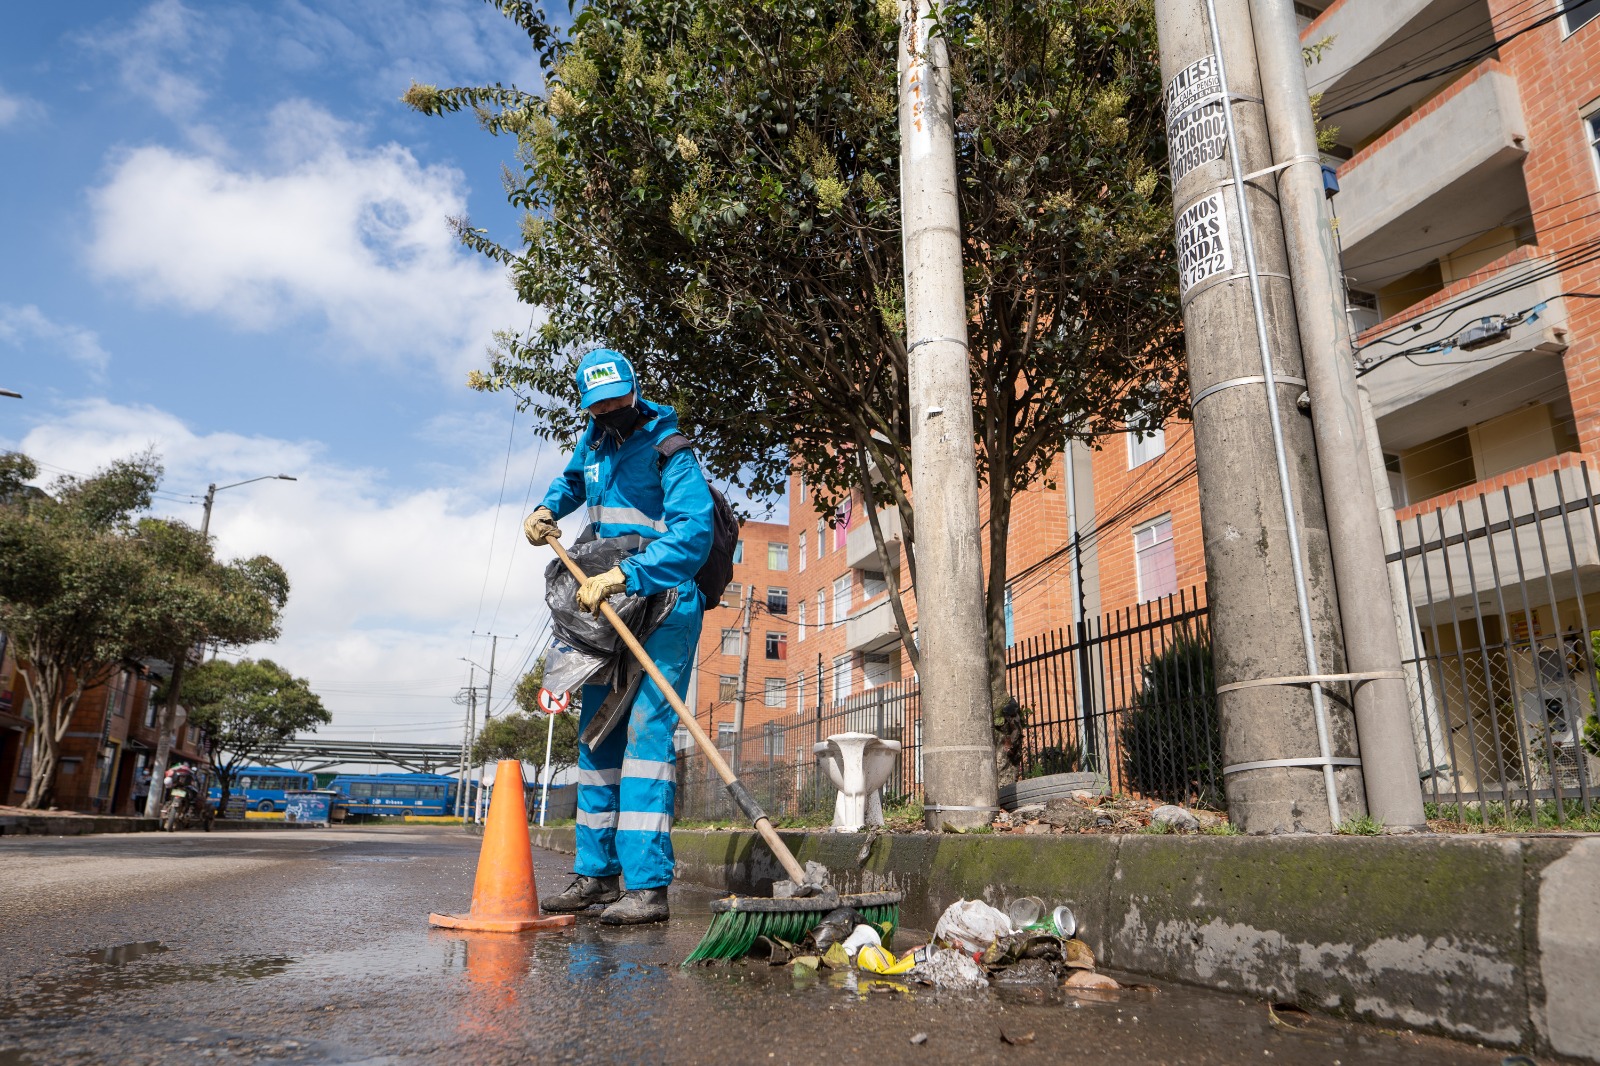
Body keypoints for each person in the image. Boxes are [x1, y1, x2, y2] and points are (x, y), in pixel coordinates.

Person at [523, 348, 713, 925]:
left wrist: (625, 574)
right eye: (596, 404)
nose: (607, 411)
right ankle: (597, 877)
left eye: (615, 401)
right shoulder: (596, 441)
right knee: (596, 738)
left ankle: (648, 888)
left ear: (634, 392)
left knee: (647, 739)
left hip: (663, 603)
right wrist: (547, 507)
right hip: (608, 609)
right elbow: (573, 480)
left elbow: (693, 534)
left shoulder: (669, 450)